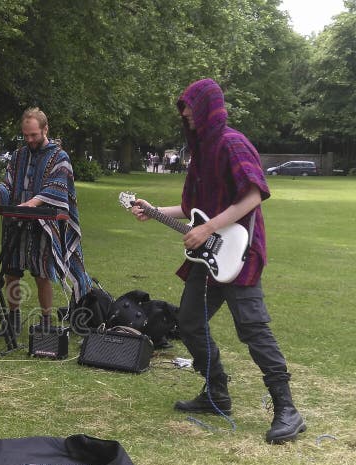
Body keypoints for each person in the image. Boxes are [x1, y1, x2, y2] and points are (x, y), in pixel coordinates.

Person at [129, 78, 305, 444]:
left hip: (239, 253)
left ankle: (287, 407)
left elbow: (254, 194)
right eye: (183, 109)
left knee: (253, 328)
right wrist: (154, 210)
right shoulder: (200, 153)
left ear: (208, 106)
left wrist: (209, 228)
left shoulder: (232, 143)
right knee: (190, 323)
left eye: (190, 107)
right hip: (208, 258)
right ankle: (216, 392)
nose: (186, 114)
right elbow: (194, 207)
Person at [0, 107, 92, 336]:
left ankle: (46, 321)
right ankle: (13, 319)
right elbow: (7, 183)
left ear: (45, 129)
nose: (29, 139)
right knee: (11, 272)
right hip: (16, 222)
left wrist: (33, 204)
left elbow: (57, 188)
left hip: (43, 227)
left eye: (34, 135)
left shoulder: (60, 157)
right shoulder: (19, 156)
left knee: (42, 273)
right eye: (25, 135)